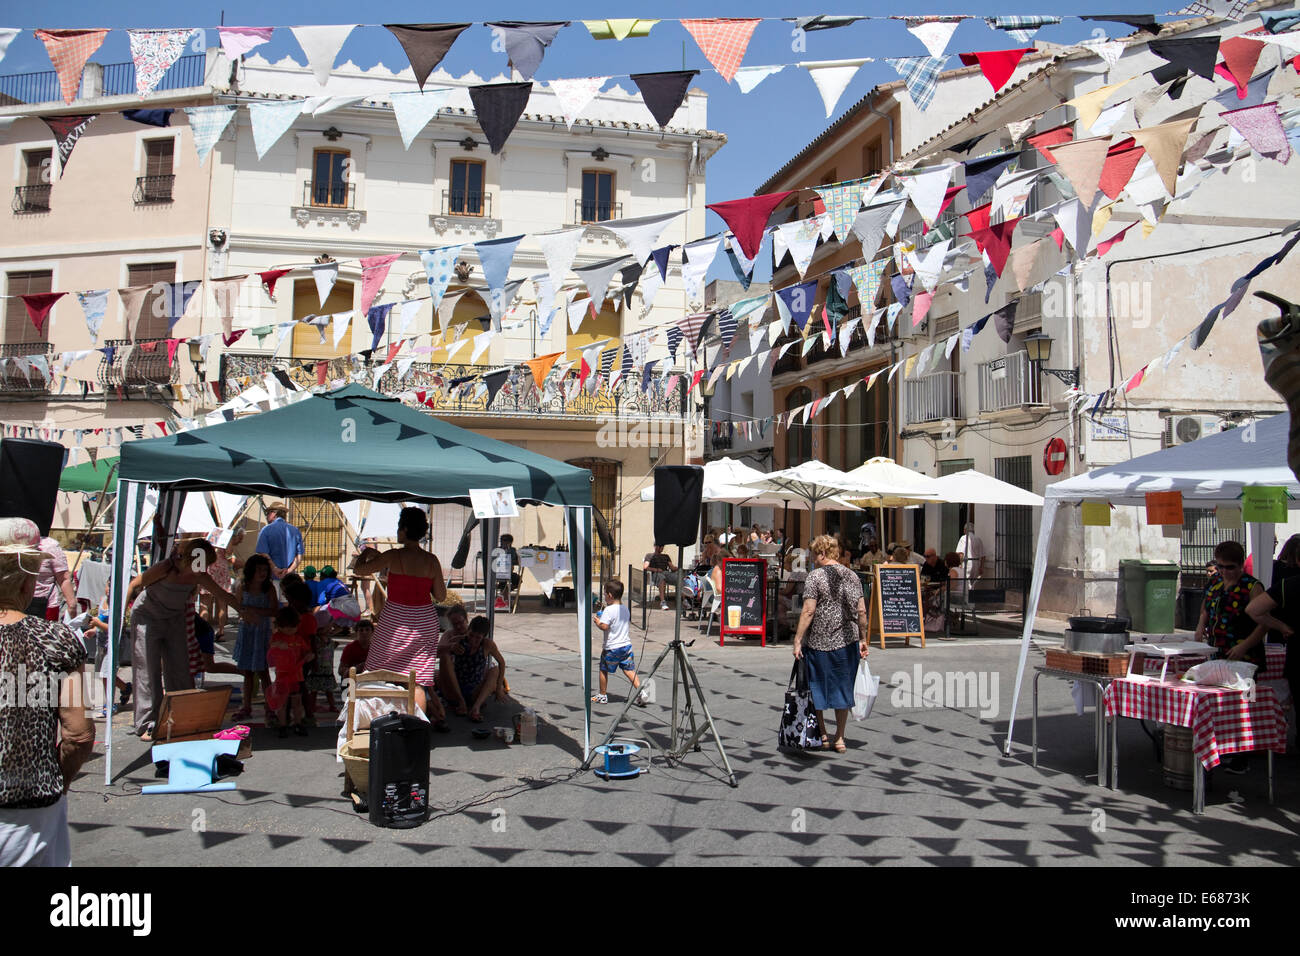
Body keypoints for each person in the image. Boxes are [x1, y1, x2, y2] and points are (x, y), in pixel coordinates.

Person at [0, 518, 95, 866]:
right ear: (28, 584)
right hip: (30, 813)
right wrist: (59, 779)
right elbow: (79, 735)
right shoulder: (57, 640)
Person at [355, 507, 447, 722]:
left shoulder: (393, 555)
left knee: (378, 672)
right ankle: (417, 729)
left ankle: (380, 723)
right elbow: (441, 596)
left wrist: (366, 553)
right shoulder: (431, 560)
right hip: (424, 622)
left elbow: (361, 570)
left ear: (404, 529)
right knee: (416, 682)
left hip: (395, 620)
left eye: (398, 527)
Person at [126, 538, 220, 739]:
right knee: (147, 669)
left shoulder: (200, 576)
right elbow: (135, 584)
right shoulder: (168, 567)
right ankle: (149, 722)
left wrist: (246, 612)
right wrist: (121, 615)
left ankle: (181, 713)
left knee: (179, 666)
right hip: (147, 616)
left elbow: (222, 595)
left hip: (173, 616)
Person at [793, 535, 869, 754]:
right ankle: (840, 738)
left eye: (815, 554)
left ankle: (824, 735)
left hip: (818, 641)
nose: (814, 559)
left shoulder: (815, 577)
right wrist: (863, 639)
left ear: (823, 553)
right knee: (843, 687)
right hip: (847, 641)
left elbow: (808, 610)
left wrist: (798, 639)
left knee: (817, 687)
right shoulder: (853, 576)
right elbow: (861, 611)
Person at [1195, 540, 1267, 668]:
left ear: (1241, 565)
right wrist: (1200, 626)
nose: (1224, 571)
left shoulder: (1252, 586)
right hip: (1216, 650)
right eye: (1220, 566)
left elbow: (1264, 623)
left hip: (1243, 654)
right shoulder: (1215, 582)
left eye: (1230, 567)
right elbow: (1205, 607)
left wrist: (1244, 646)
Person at [437, 615, 507, 721]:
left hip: (475, 691)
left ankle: (476, 708)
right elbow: (435, 652)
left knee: (495, 669)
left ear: (484, 637)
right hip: (455, 690)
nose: (473, 640)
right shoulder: (458, 641)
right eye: (471, 635)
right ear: (468, 631)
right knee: (445, 658)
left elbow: (502, 663)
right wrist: (451, 647)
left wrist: (498, 690)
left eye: (477, 638)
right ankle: (461, 702)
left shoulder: (488, 645)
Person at [592, 580, 647, 706]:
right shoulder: (625, 609)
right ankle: (641, 692)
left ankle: (602, 695)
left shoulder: (608, 611)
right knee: (629, 669)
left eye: (605, 594)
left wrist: (597, 621)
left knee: (603, 669)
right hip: (626, 645)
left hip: (612, 647)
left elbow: (605, 626)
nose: (604, 597)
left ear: (610, 595)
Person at [265, 607, 313, 738]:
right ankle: (282, 725)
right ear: (279, 626)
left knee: (297, 701)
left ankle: (298, 723)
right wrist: (278, 646)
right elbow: (272, 648)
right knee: (282, 702)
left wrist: (309, 656)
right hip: (282, 676)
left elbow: (307, 651)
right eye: (286, 627)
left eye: (292, 627)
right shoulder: (277, 637)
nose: (289, 630)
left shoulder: (298, 639)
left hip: (297, 676)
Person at [27, 532, 78, 622]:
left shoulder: (49, 546)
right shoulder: (7, 542)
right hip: (14, 605)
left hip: (43, 605)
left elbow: (64, 578)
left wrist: (72, 606)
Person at [255, 501, 304, 587]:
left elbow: (263, 554)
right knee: (288, 600)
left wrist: (275, 569)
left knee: (272, 599)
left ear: (274, 513)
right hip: (289, 579)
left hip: (271, 578)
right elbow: (299, 556)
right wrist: (289, 571)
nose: (266, 516)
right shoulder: (295, 531)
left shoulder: (266, 530)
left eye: (268, 513)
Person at [643, 544, 679, 611]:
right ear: (655, 546)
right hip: (656, 574)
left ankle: (683, 600)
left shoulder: (666, 556)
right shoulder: (649, 555)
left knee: (679, 578)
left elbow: (672, 567)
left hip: (666, 573)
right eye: (660, 546)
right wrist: (656, 570)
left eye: (663, 546)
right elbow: (645, 567)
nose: (662, 547)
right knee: (661, 578)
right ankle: (663, 602)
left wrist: (678, 568)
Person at [492, 534, 521, 611]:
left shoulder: (512, 550)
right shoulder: (497, 550)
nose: (503, 542)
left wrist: (508, 552)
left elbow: (515, 561)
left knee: (518, 579)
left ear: (510, 542)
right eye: (502, 540)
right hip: (499, 573)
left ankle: (504, 595)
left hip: (509, 573)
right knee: (504, 581)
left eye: (505, 540)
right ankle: (505, 598)